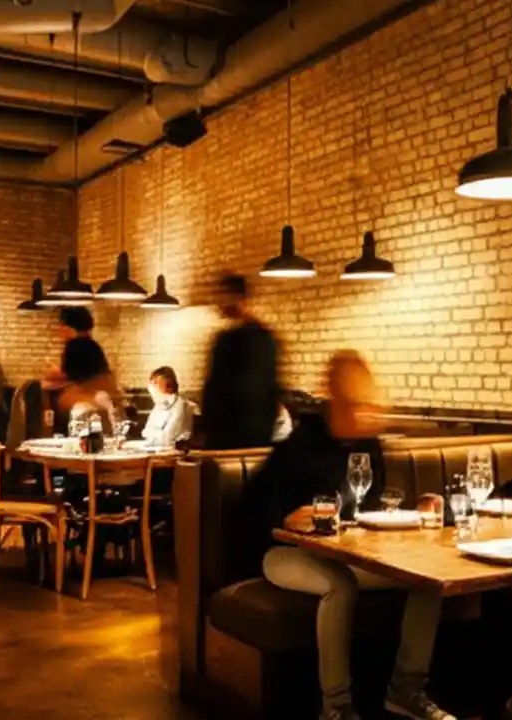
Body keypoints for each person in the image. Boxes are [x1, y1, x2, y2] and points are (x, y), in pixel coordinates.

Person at [244, 351, 453, 720]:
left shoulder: (368, 445)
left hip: (347, 553)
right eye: (356, 404)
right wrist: (286, 517)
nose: (366, 414)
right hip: (286, 554)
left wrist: (414, 507)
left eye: (369, 404)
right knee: (340, 585)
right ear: (335, 400)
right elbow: (252, 506)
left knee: (427, 579)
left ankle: (405, 691)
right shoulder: (299, 444)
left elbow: (371, 506)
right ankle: (336, 707)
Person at [202, 274, 281, 450]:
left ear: (235, 297)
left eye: (221, 295)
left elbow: (223, 389)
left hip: (231, 436)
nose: (217, 302)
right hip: (258, 435)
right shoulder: (265, 337)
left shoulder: (230, 340)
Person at [142, 366, 193, 447]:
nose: (151, 387)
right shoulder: (159, 407)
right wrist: (154, 434)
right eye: (151, 383)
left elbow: (168, 438)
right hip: (157, 449)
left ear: (169, 386)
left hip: (175, 451)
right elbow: (145, 432)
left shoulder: (181, 405)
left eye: (155, 383)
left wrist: (153, 434)